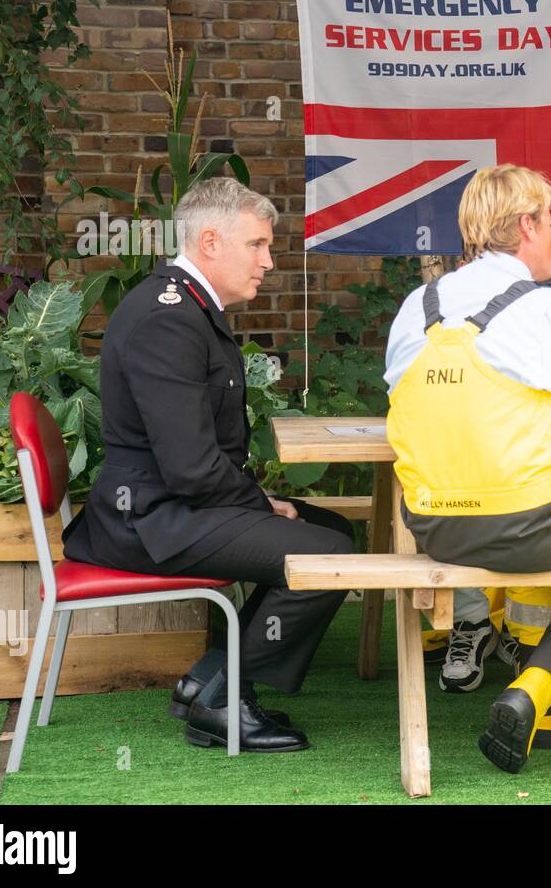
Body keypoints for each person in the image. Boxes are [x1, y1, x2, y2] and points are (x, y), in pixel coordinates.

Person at [62, 177, 352, 753]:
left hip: (171, 505)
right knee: (331, 557)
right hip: (150, 519)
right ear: (211, 241)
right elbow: (192, 468)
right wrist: (261, 504)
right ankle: (223, 701)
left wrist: (258, 503)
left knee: (338, 530)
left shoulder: (187, 305)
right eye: (258, 246)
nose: (269, 261)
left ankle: (209, 676)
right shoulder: (168, 318)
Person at [385, 164, 551, 753]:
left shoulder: (415, 308)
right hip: (527, 526)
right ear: (527, 224)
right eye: (550, 222)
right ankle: (543, 689)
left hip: (433, 528)